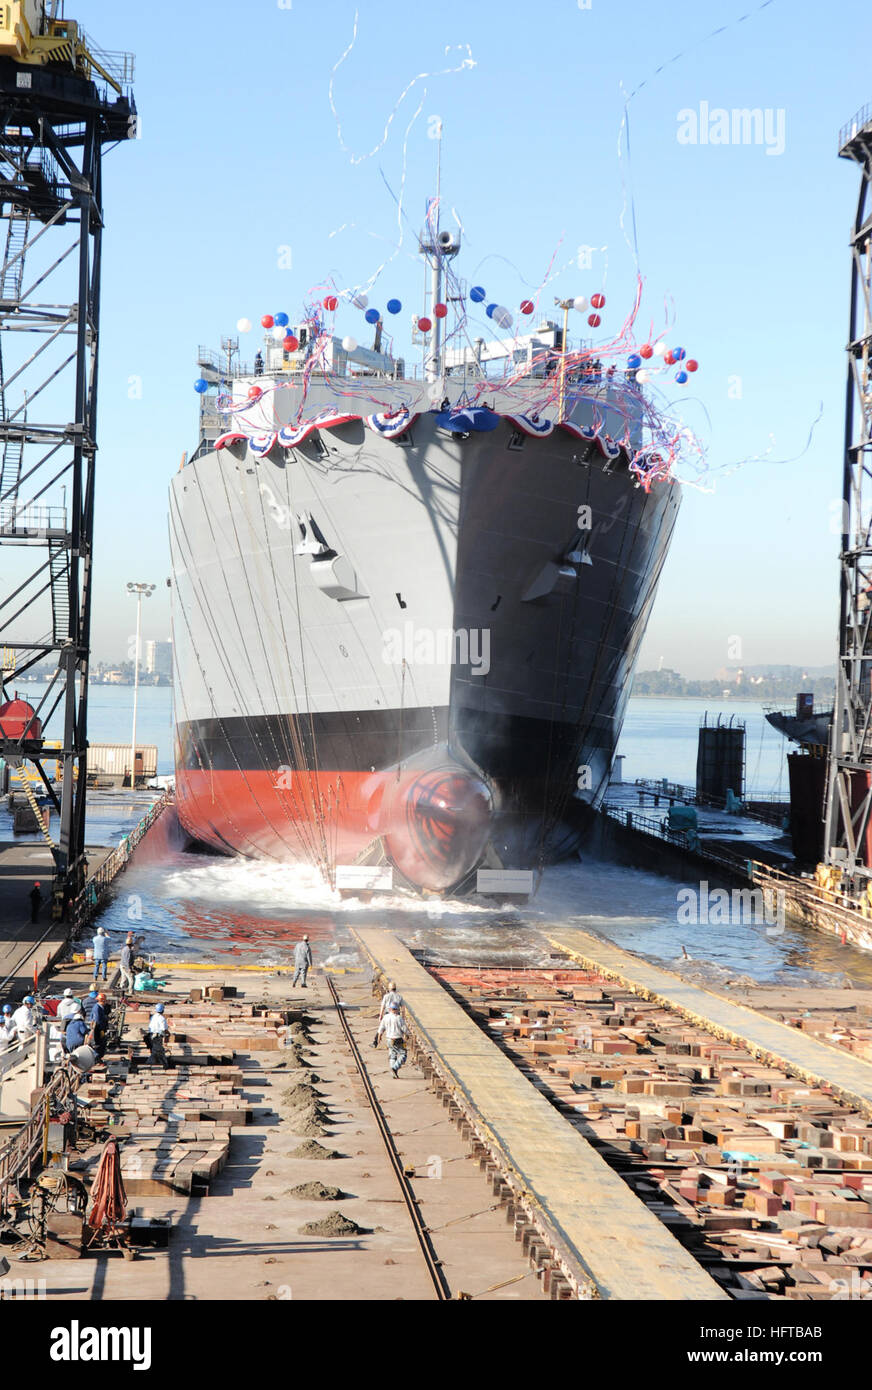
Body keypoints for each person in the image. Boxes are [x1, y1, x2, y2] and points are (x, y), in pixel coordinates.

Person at [373, 1001, 408, 1079]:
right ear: (397, 1009)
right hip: (398, 1039)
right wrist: (407, 1035)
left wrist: (379, 1037)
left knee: (392, 1055)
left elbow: (381, 1028)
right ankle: (395, 1068)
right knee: (403, 1054)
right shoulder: (399, 1018)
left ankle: (393, 1074)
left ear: (389, 1009)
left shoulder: (386, 1017)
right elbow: (404, 1029)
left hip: (389, 1039)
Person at [147, 1001, 170, 1068]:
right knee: (158, 1051)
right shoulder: (162, 1018)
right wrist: (168, 1034)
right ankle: (148, 1064)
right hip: (157, 1037)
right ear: (163, 1010)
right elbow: (163, 1029)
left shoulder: (153, 1017)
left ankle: (161, 1064)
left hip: (151, 1035)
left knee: (157, 1051)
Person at [88, 991, 108, 1058]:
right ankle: (97, 1058)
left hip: (99, 1029)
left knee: (101, 1044)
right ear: (102, 1000)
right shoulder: (97, 1008)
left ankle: (98, 1057)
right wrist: (101, 1029)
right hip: (97, 1030)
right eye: (105, 1001)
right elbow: (97, 1020)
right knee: (99, 1044)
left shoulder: (99, 1007)